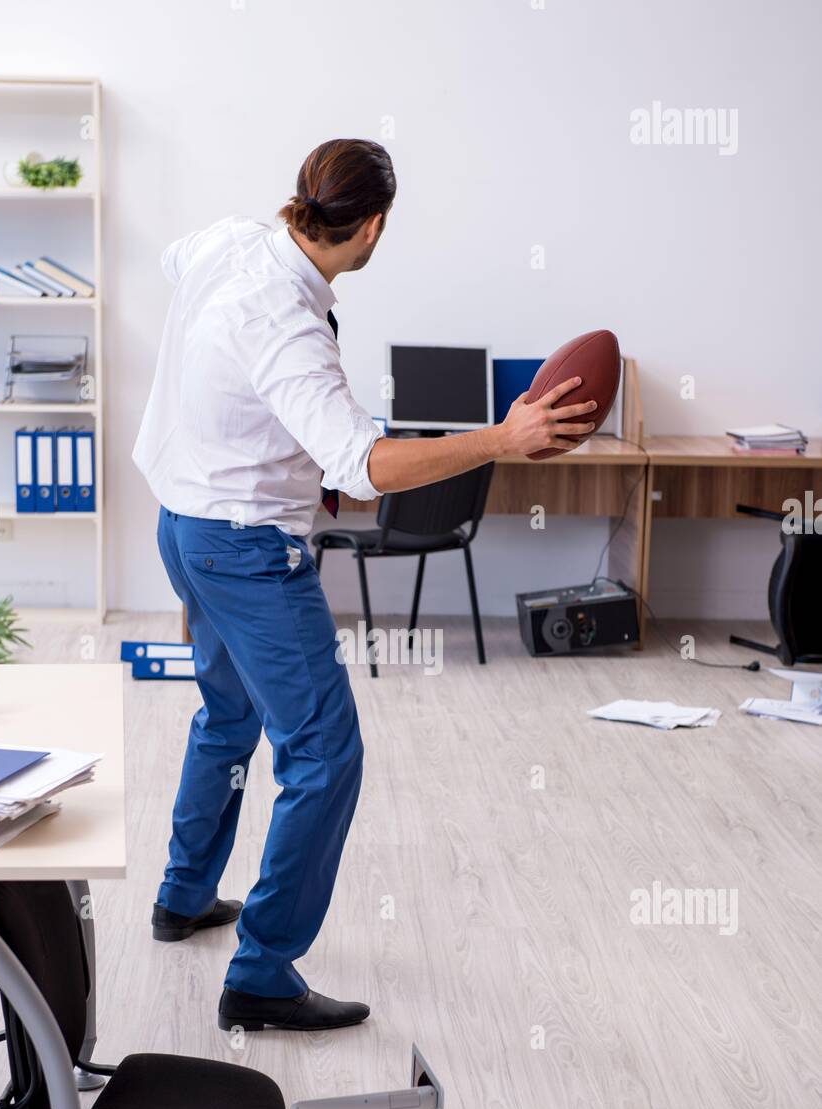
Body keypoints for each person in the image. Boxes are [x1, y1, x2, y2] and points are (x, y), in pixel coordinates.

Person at [132, 138, 596, 1033]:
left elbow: (173, 259)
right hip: (245, 547)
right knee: (324, 756)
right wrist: (501, 440)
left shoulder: (230, 240)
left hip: (181, 525)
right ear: (374, 224)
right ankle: (262, 975)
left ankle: (182, 897)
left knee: (226, 719)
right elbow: (362, 463)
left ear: (299, 198)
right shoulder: (291, 323)